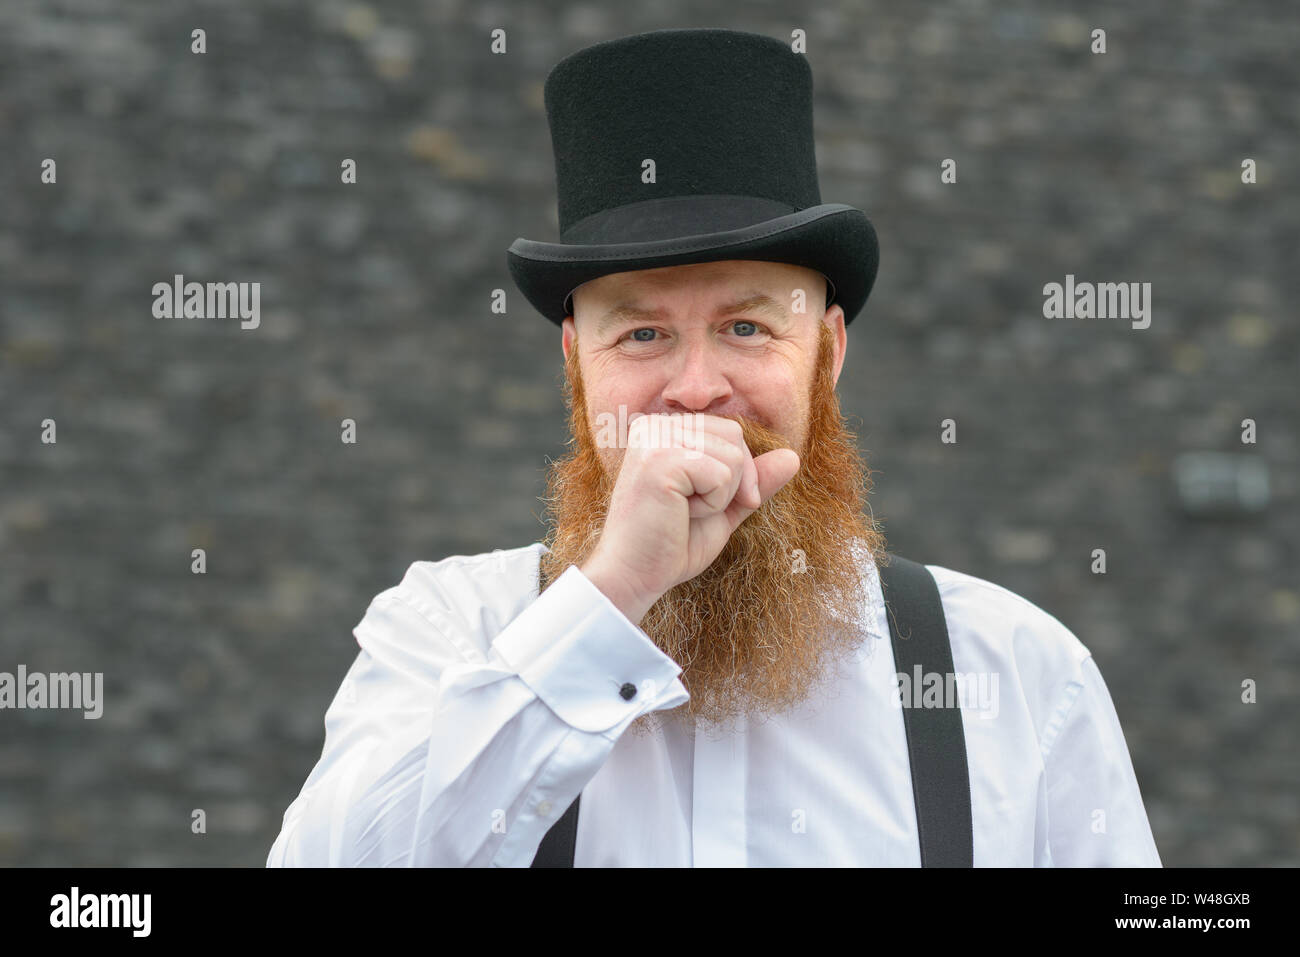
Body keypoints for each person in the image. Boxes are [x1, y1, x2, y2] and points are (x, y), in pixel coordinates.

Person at [266, 28, 1161, 867]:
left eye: (745, 325)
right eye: (642, 335)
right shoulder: (447, 629)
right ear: (577, 366)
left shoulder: (1018, 674)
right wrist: (611, 596)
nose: (697, 386)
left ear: (829, 353)